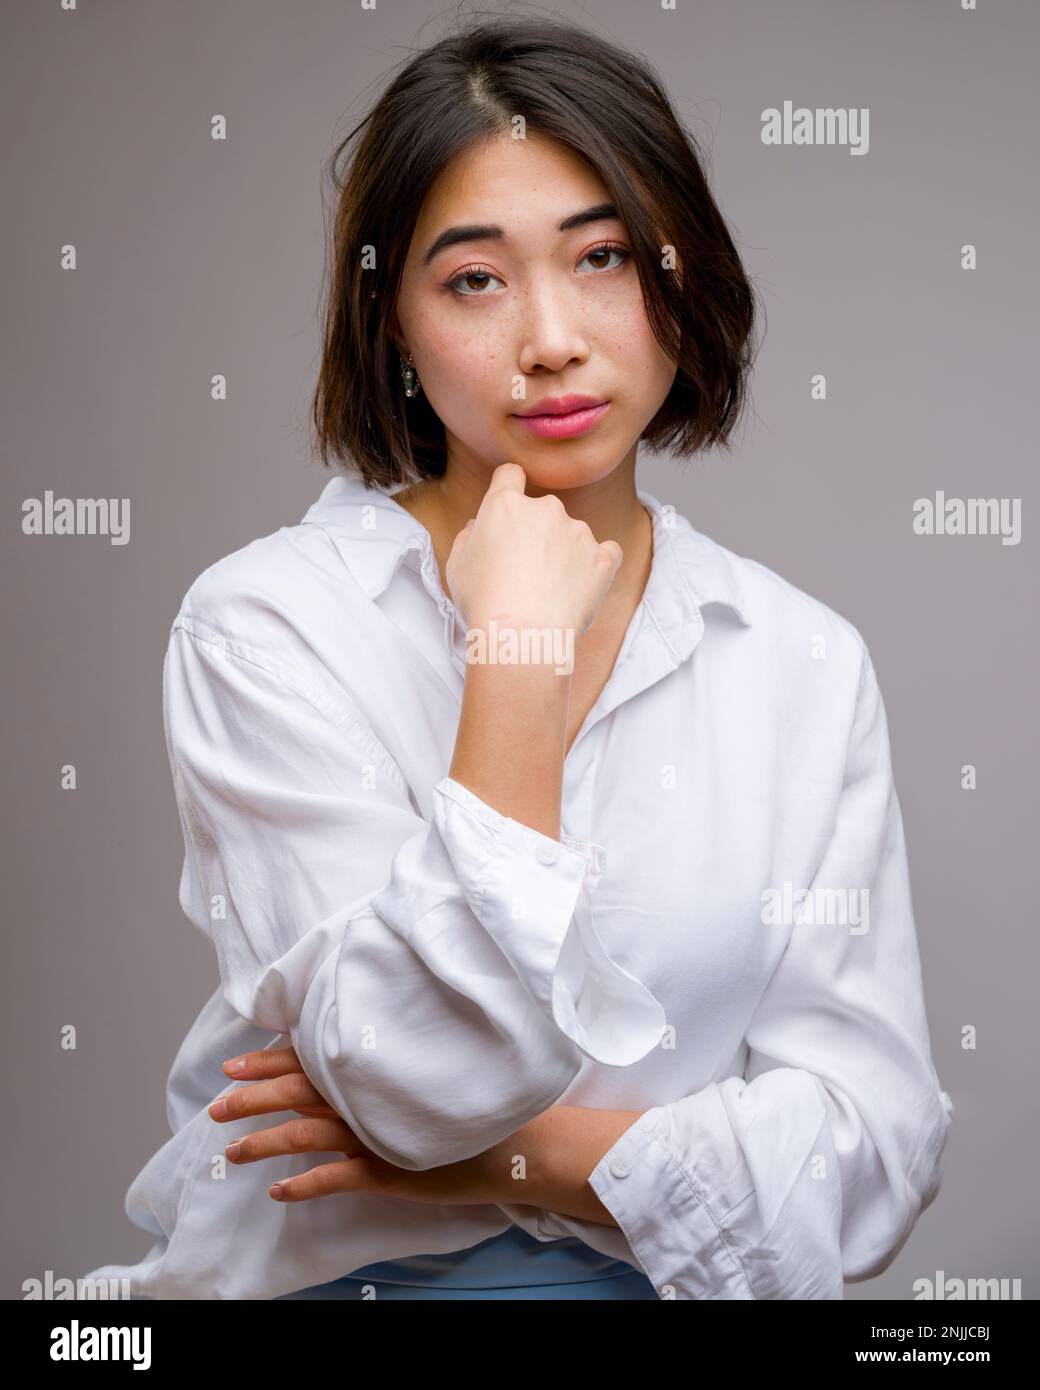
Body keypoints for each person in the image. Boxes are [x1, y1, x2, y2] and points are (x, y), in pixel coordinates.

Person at [84, 14, 952, 1301]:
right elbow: (413, 1072)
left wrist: (494, 1161)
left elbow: (871, 1150)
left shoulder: (799, 662)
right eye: (474, 278)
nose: (550, 337)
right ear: (394, 322)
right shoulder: (267, 626)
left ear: (680, 278)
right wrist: (517, 654)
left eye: (601, 256)